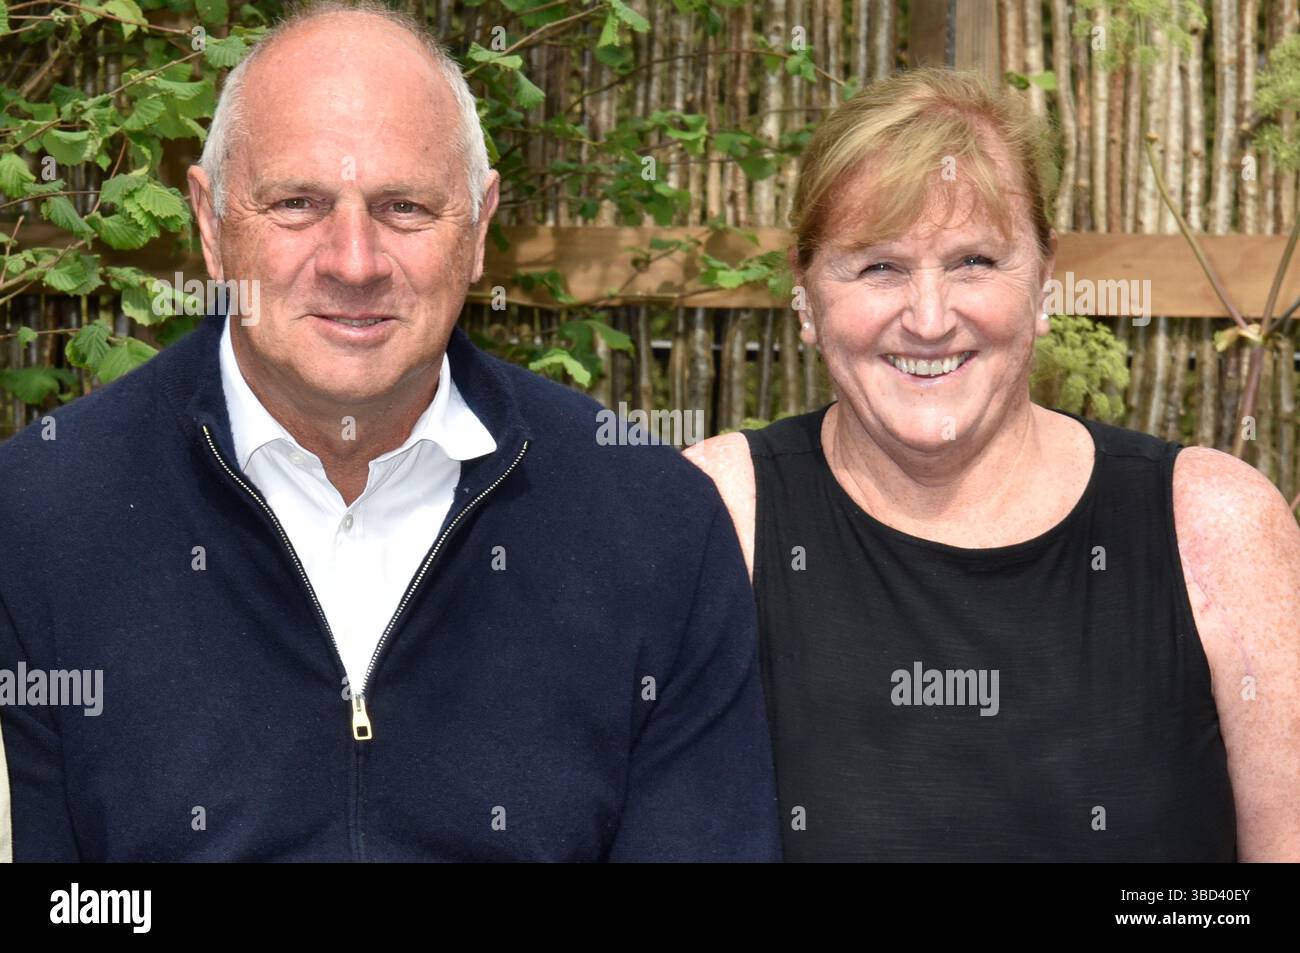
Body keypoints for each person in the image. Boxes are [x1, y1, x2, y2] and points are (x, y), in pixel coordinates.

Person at [0, 1, 780, 862]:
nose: (355, 261)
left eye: (404, 206)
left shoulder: (653, 523)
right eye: (297, 203)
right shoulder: (37, 516)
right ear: (212, 224)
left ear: (479, 229)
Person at [686, 67, 1300, 862]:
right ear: (805, 295)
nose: (931, 319)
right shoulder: (717, 517)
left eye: (975, 260)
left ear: (1046, 279)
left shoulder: (1217, 530)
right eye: (879, 266)